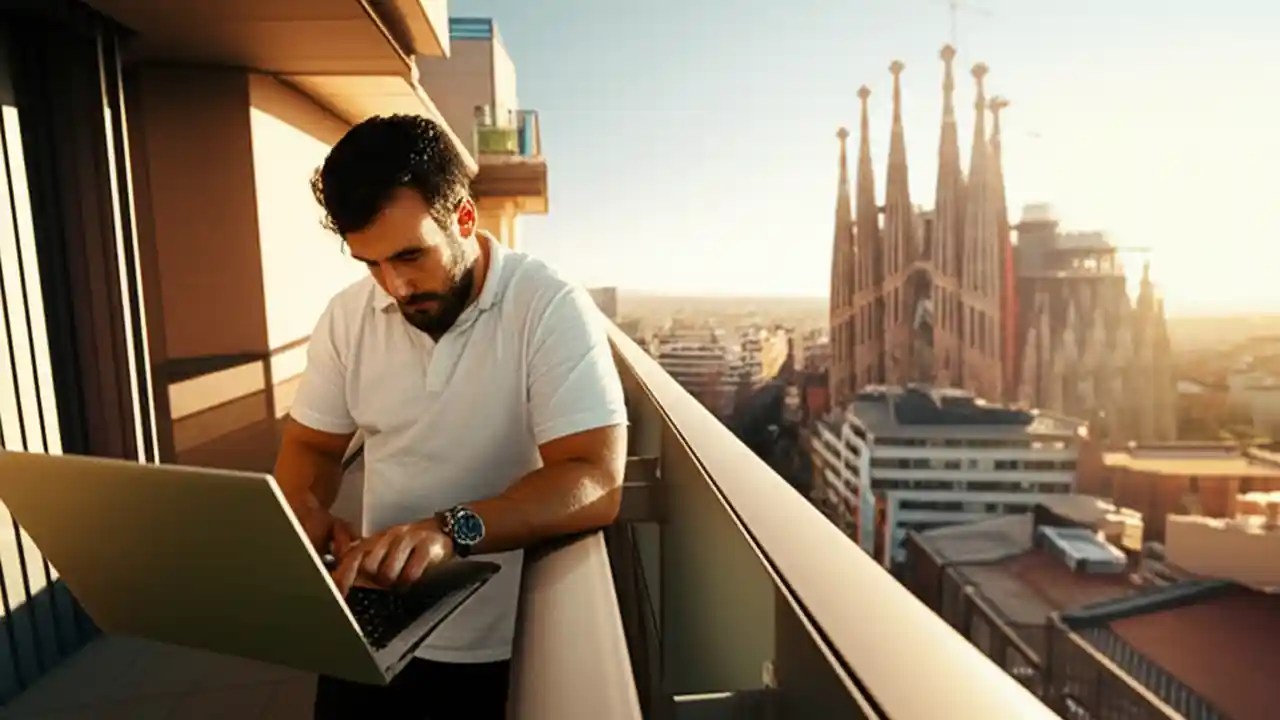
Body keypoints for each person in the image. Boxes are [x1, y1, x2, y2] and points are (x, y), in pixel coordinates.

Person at [273, 114, 629, 719]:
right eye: (372, 264)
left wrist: (450, 529)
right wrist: (303, 505)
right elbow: (312, 450)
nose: (396, 286)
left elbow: (594, 478)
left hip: (495, 644)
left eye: (411, 255)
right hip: (366, 625)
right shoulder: (347, 316)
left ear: (464, 218)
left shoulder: (547, 306)